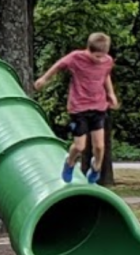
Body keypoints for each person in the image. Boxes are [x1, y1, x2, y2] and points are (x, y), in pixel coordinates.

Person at [34, 32, 120, 184]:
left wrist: (111, 94)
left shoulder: (107, 61)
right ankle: (70, 162)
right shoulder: (76, 58)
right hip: (79, 107)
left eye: (102, 56)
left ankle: (96, 167)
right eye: (97, 57)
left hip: (98, 107)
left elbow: (105, 75)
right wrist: (44, 79)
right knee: (80, 146)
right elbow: (58, 66)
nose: (100, 60)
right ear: (88, 50)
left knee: (100, 147)